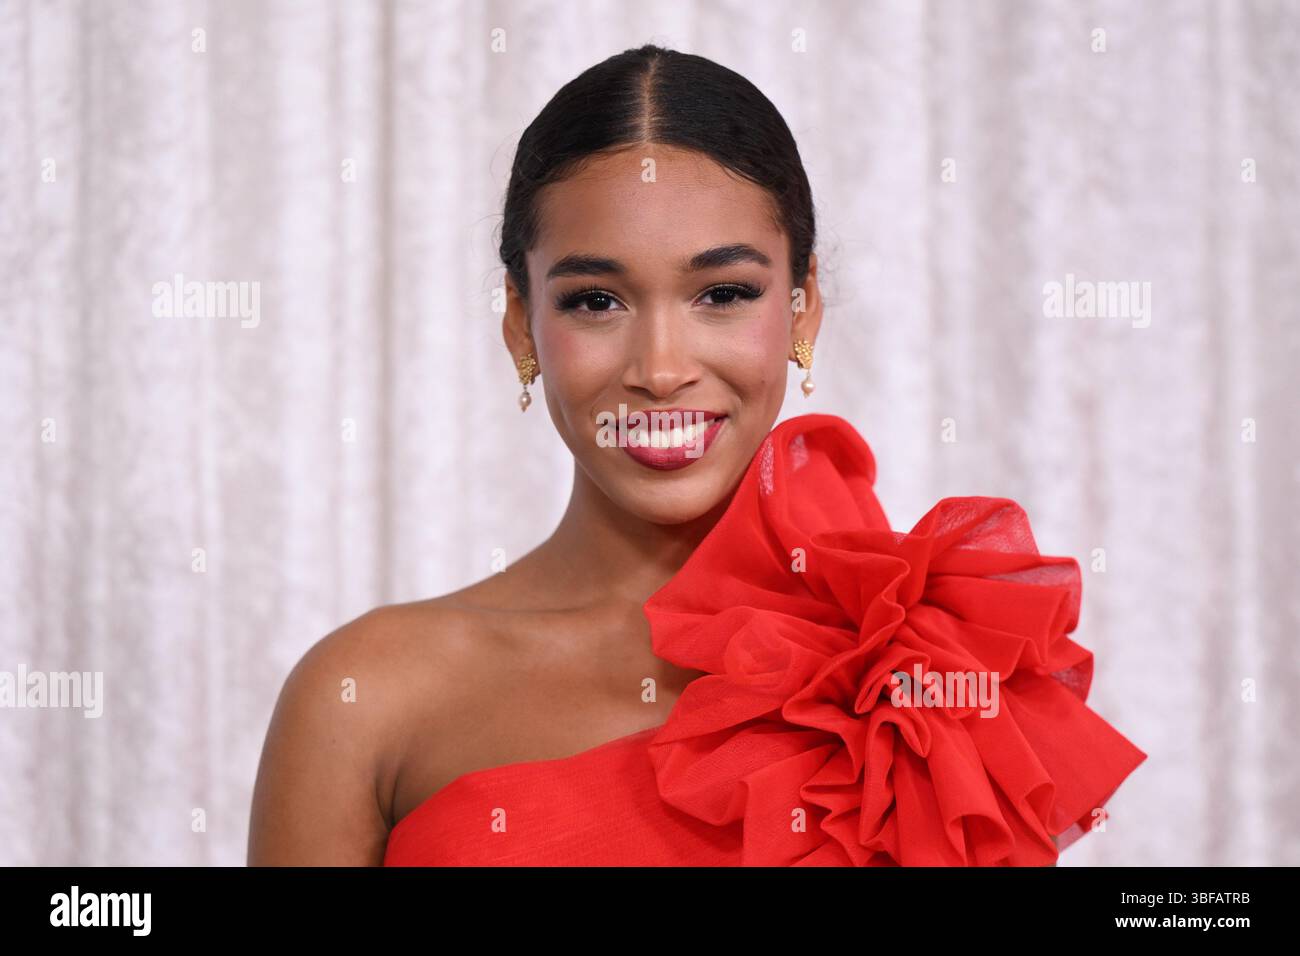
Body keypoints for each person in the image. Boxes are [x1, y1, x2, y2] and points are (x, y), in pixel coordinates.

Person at [247, 43, 1144, 867]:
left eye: (723, 293)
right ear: (521, 325)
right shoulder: (363, 698)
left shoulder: (929, 672)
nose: (662, 369)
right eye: (596, 302)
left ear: (804, 309)